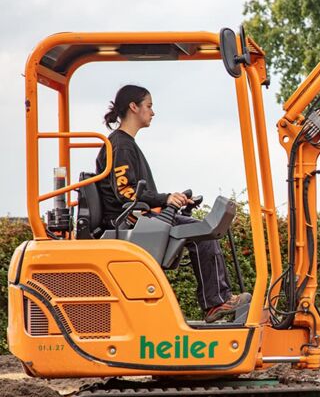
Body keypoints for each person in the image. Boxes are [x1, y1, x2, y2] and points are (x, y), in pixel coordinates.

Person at [95, 84, 249, 323]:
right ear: (133, 107)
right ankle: (216, 302)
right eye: (149, 106)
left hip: (138, 218)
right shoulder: (121, 146)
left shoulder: (125, 144)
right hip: (128, 221)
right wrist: (165, 199)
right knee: (201, 234)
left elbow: (136, 193)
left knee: (198, 227)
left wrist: (174, 202)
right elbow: (125, 193)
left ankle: (217, 300)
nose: (153, 112)